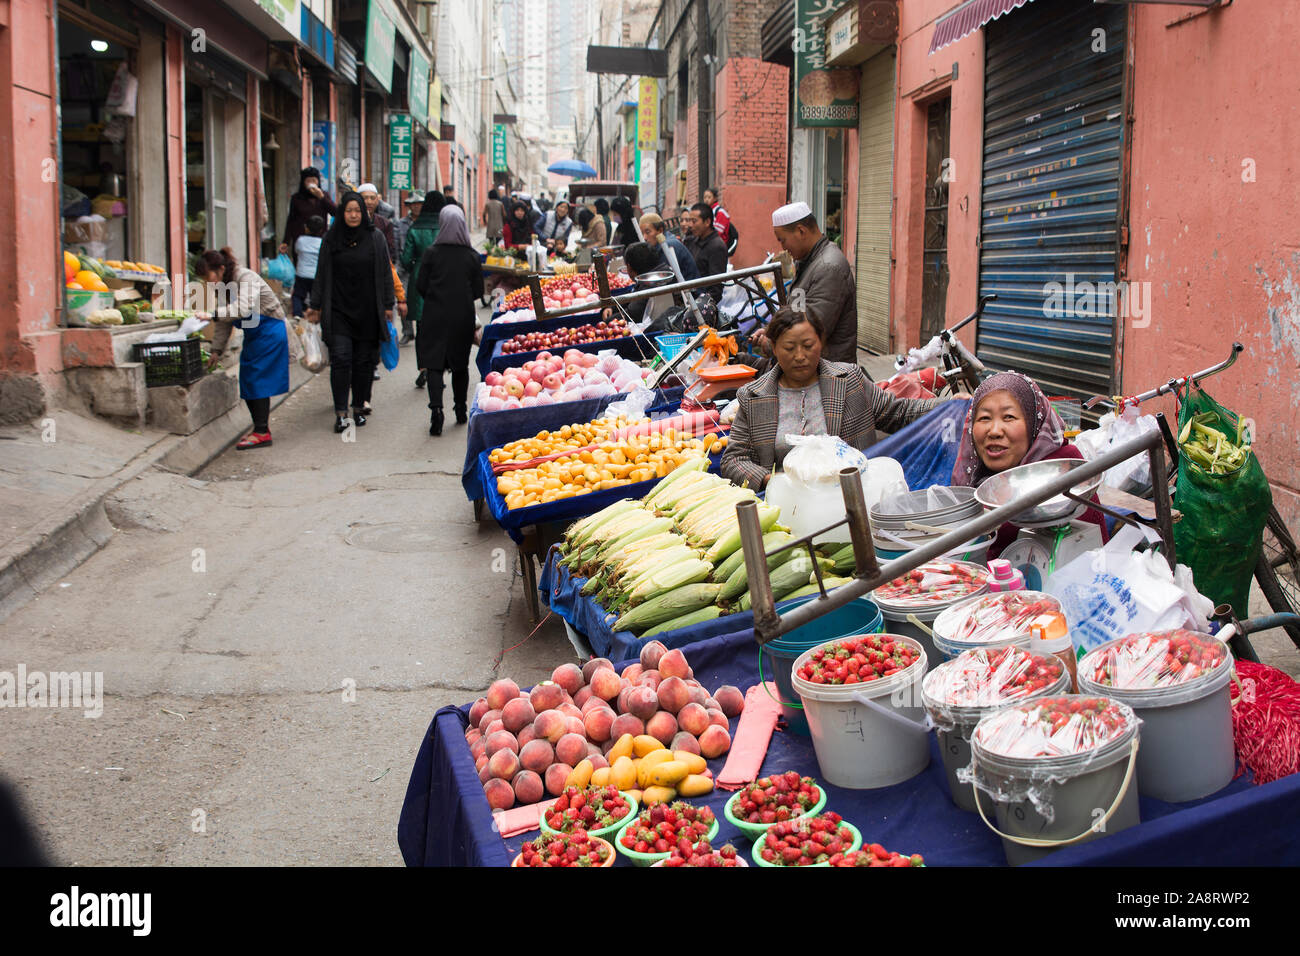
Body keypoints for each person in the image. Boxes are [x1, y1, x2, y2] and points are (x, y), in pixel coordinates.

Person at [720, 308, 941, 489]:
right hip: (787, 510)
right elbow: (734, 460)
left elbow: (898, 412)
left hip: (852, 499)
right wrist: (772, 481)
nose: (800, 356)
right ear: (774, 348)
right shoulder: (753, 396)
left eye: (808, 346)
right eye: (789, 348)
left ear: (821, 343)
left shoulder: (849, 380)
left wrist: (951, 405)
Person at [951, 371, 1109, 558]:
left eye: (1008, 417)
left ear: (1034, 423)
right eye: (984, 418)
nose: (994, 431)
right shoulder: (974, 479)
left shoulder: (1065, 476)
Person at [306, 191, 395, 433]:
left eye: (357, 211)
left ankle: (358, 407)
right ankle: (341, 413)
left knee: (363, 362)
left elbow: (386, 273)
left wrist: (388, 305)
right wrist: (315, 305)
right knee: (342, 359)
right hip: (338, 310)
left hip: (368, 311)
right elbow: (321, 273)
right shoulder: (331, 239)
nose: (354, 215)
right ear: (341, 213)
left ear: (364, 213)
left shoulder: (375, 237)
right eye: (349, 211)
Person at [198, 247, 301, 450]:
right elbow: (225, 321)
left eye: (208, 276)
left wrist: (211, 314)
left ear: (220, 268)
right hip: (255, 335)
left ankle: (262, 432)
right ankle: (259, 429)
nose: (207, 282)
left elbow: (242, 308)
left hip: (269, 331)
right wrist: (216, 350)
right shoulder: (223, 287)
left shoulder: (246, 277)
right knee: (248, 379)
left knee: (258, 379)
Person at [756, 201, 858, 365]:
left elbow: (810, 332)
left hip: (829, 375)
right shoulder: (806, 262)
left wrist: (771, 344)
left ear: (801, 231)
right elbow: (797, 312)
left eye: (782, 240)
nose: (783, 248)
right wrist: (771, 331)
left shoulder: (828, 267)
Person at [415, 204, 484, 435]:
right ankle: (461, 408)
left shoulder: (430, 254)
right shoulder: (472, 256)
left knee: (434, 364)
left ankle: (436, 410)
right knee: (459, 364)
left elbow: (420, 286)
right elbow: (478, 291)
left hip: (434, 314)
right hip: (461, 317)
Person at [400, 190, 447, 390]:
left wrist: (416, 265)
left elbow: (405, 259)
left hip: (420, 279)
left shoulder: (414, 228)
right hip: (442, 279)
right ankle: (439, 370)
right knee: (440, 328)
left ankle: (423, 368)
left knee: (422, 328)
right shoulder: (444, 227)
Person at [281, 166, 336, 258]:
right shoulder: (296, 198)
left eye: (314, 181)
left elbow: (335, 212)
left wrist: (322, 197)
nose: (312, 184)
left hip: (320, 240)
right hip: (301, 242)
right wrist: (286, 241)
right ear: (303, 182)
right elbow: (291, 220)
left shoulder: (324, 196)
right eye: (308, 181)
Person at [393, 191, 424, 344]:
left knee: (419, 299)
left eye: (419, 203)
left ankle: (421, 330)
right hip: (404, 267)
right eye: (414, 204)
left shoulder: (425, 223)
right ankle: (407, 331)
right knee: (402, 298)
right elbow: (397, 244)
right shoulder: (400, 224)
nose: (417, 206)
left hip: (420, 266)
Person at [683, 202, 727, 302]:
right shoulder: (693, 241)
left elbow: (716, 289)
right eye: (689, 221)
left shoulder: (717, 246)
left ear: (707, 222)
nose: (690, 225)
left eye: (694, 221)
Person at [638, 213, 699, 281]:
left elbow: (665, 279)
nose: (644, 237)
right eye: (642, 233)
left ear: (660, 230)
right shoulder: (663, 243)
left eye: (648, 232)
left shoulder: (668, 246)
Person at [291, 215, 325, 318]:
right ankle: (316, 316)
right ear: (321, 230)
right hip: (316, 275)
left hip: (301, 273)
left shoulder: (301, 240)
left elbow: (296, 251)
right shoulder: (322, 243)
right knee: (316, 297)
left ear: (306, 228)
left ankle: (297, 314)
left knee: (298, 295)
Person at [358, 183, 398, 262]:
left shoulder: (385, 223)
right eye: (365, 198)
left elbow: (391, 250)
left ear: (377, 201)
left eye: (372, 198)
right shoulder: (352, 220)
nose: (369, 202)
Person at [702, 186, 736, 256]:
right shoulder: (707, 212)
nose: (706, 200)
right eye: (705, 197)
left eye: (709, 197)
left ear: (715, 198)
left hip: (719, 249)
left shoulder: (720, 213)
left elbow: (718, 234)